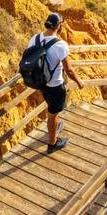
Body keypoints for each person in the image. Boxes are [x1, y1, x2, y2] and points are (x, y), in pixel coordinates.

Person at [31, 12, 82, 153]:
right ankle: (53, 143)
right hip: (55, 85)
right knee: (52, 114)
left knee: (53, 109)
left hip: (42, 83)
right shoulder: (60, 45)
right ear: (59, 26)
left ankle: (55, 126)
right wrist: (79, 82)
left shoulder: (35, 38)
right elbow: (69, 70)